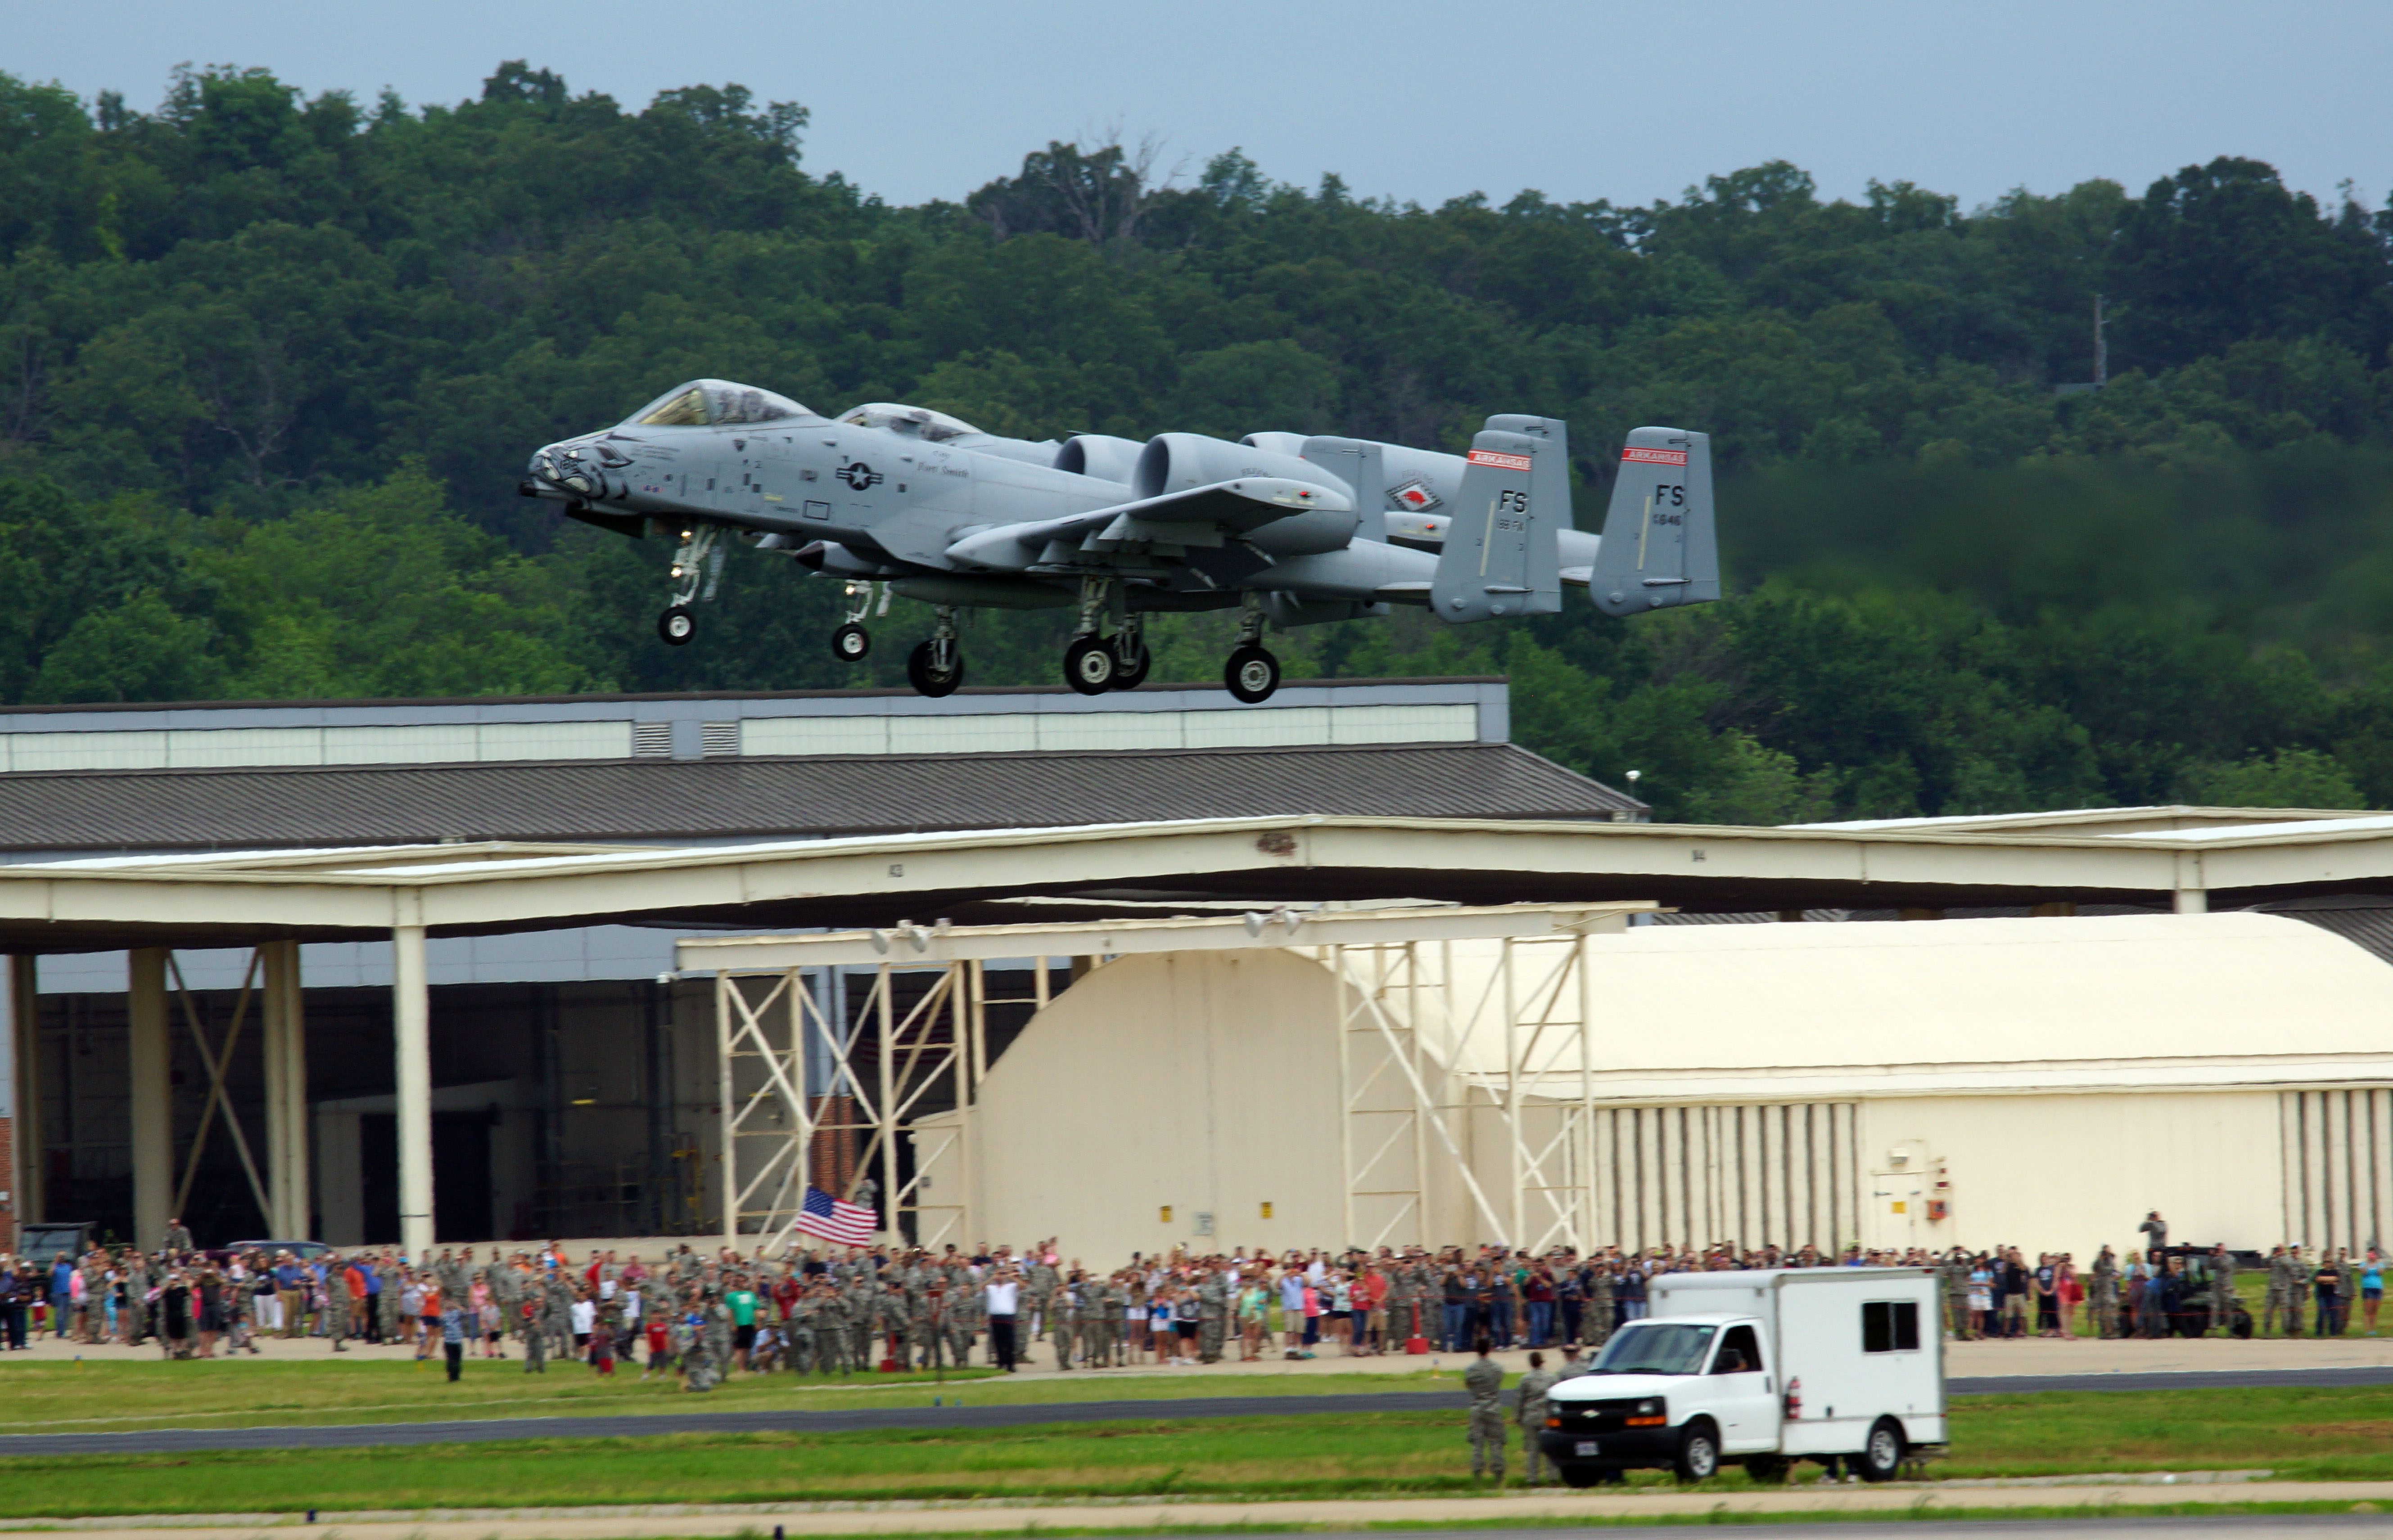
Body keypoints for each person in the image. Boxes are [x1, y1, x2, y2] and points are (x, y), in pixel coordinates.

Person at [1464, 1337, 1506, 1482]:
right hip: (1493, 1408)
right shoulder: (1497, 1369)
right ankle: (1498, 1474)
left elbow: (1469, 1385)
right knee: (1496, 1443)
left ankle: (1477, 1474)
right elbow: (1499, 1382)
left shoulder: (1471, 1370)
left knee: (1477, 1444)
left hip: (1477, 1408)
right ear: (1489, 1350)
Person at [1515, 1350, 1558, 1486]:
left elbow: (1520, 1400)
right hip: (1546, 1415)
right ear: (1542, 1362)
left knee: (1533, 1450)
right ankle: (1553, 1478)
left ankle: (1532, 1479)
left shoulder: (1525, 1380)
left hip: (1531, 1416)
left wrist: (1518, 1417)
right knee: (1550, 1448)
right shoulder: (1551, 1378)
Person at [440, 1298, 468, 1382]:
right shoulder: (444, 1315)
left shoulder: (457, 1313)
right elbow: (440, 1319)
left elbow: (465, 1313)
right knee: (451, 1360)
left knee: (457, 1360)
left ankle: (456, 1376)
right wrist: (445, 1308)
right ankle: (451, 1376)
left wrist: (457, 1306)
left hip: (457, 1340)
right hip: (449, 1340)